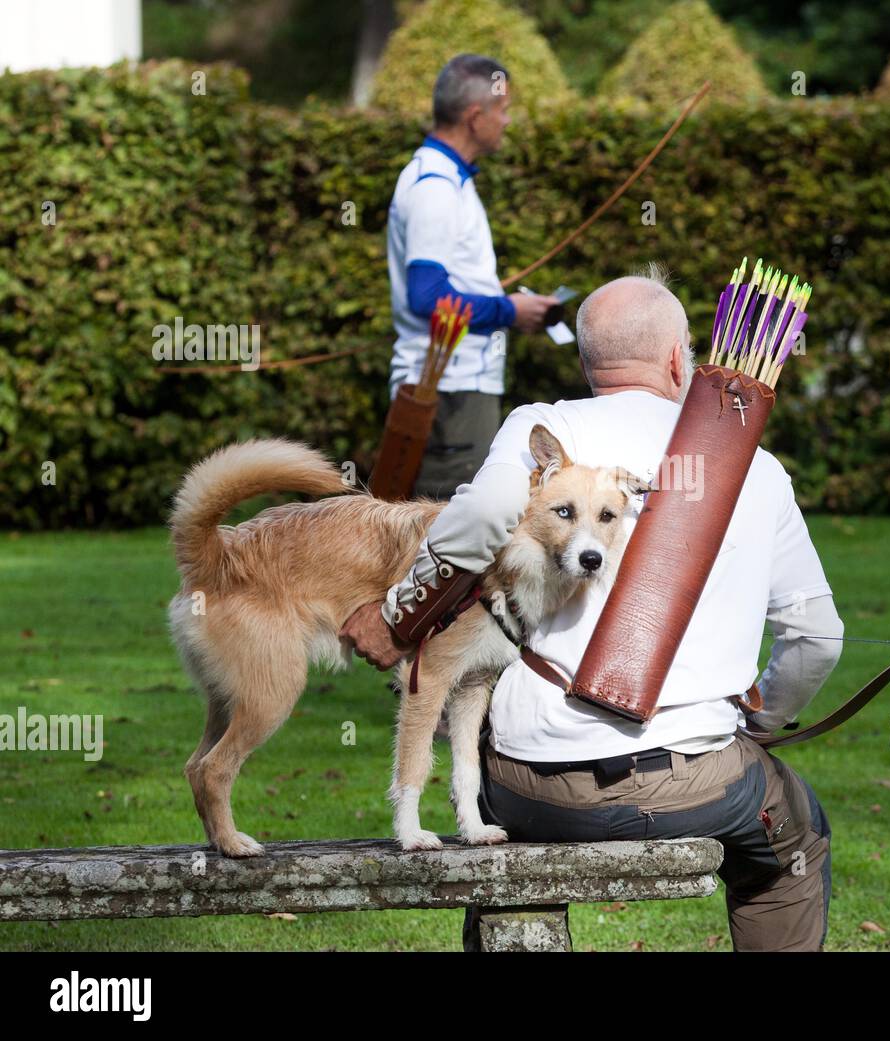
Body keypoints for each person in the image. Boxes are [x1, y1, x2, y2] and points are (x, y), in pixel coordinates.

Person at [343, 268, 845, 951]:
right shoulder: (756, 465)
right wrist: (763, 718)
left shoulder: (544, 427)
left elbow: (486, 511)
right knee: (797, 838)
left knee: (501, 815)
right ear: (679, 360)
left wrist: (400, 611)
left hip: (528, 785)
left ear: (585, 364)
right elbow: (816, 636)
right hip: (691, 781)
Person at [386, 53, 558, 497]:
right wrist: (509, 310)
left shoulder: (447, 178)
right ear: (474, 116)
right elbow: (427, 299)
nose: (508, 120)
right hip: (449, 392)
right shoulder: (436, 188)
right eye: (503, 110)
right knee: (447, 541)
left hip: (454, 387)